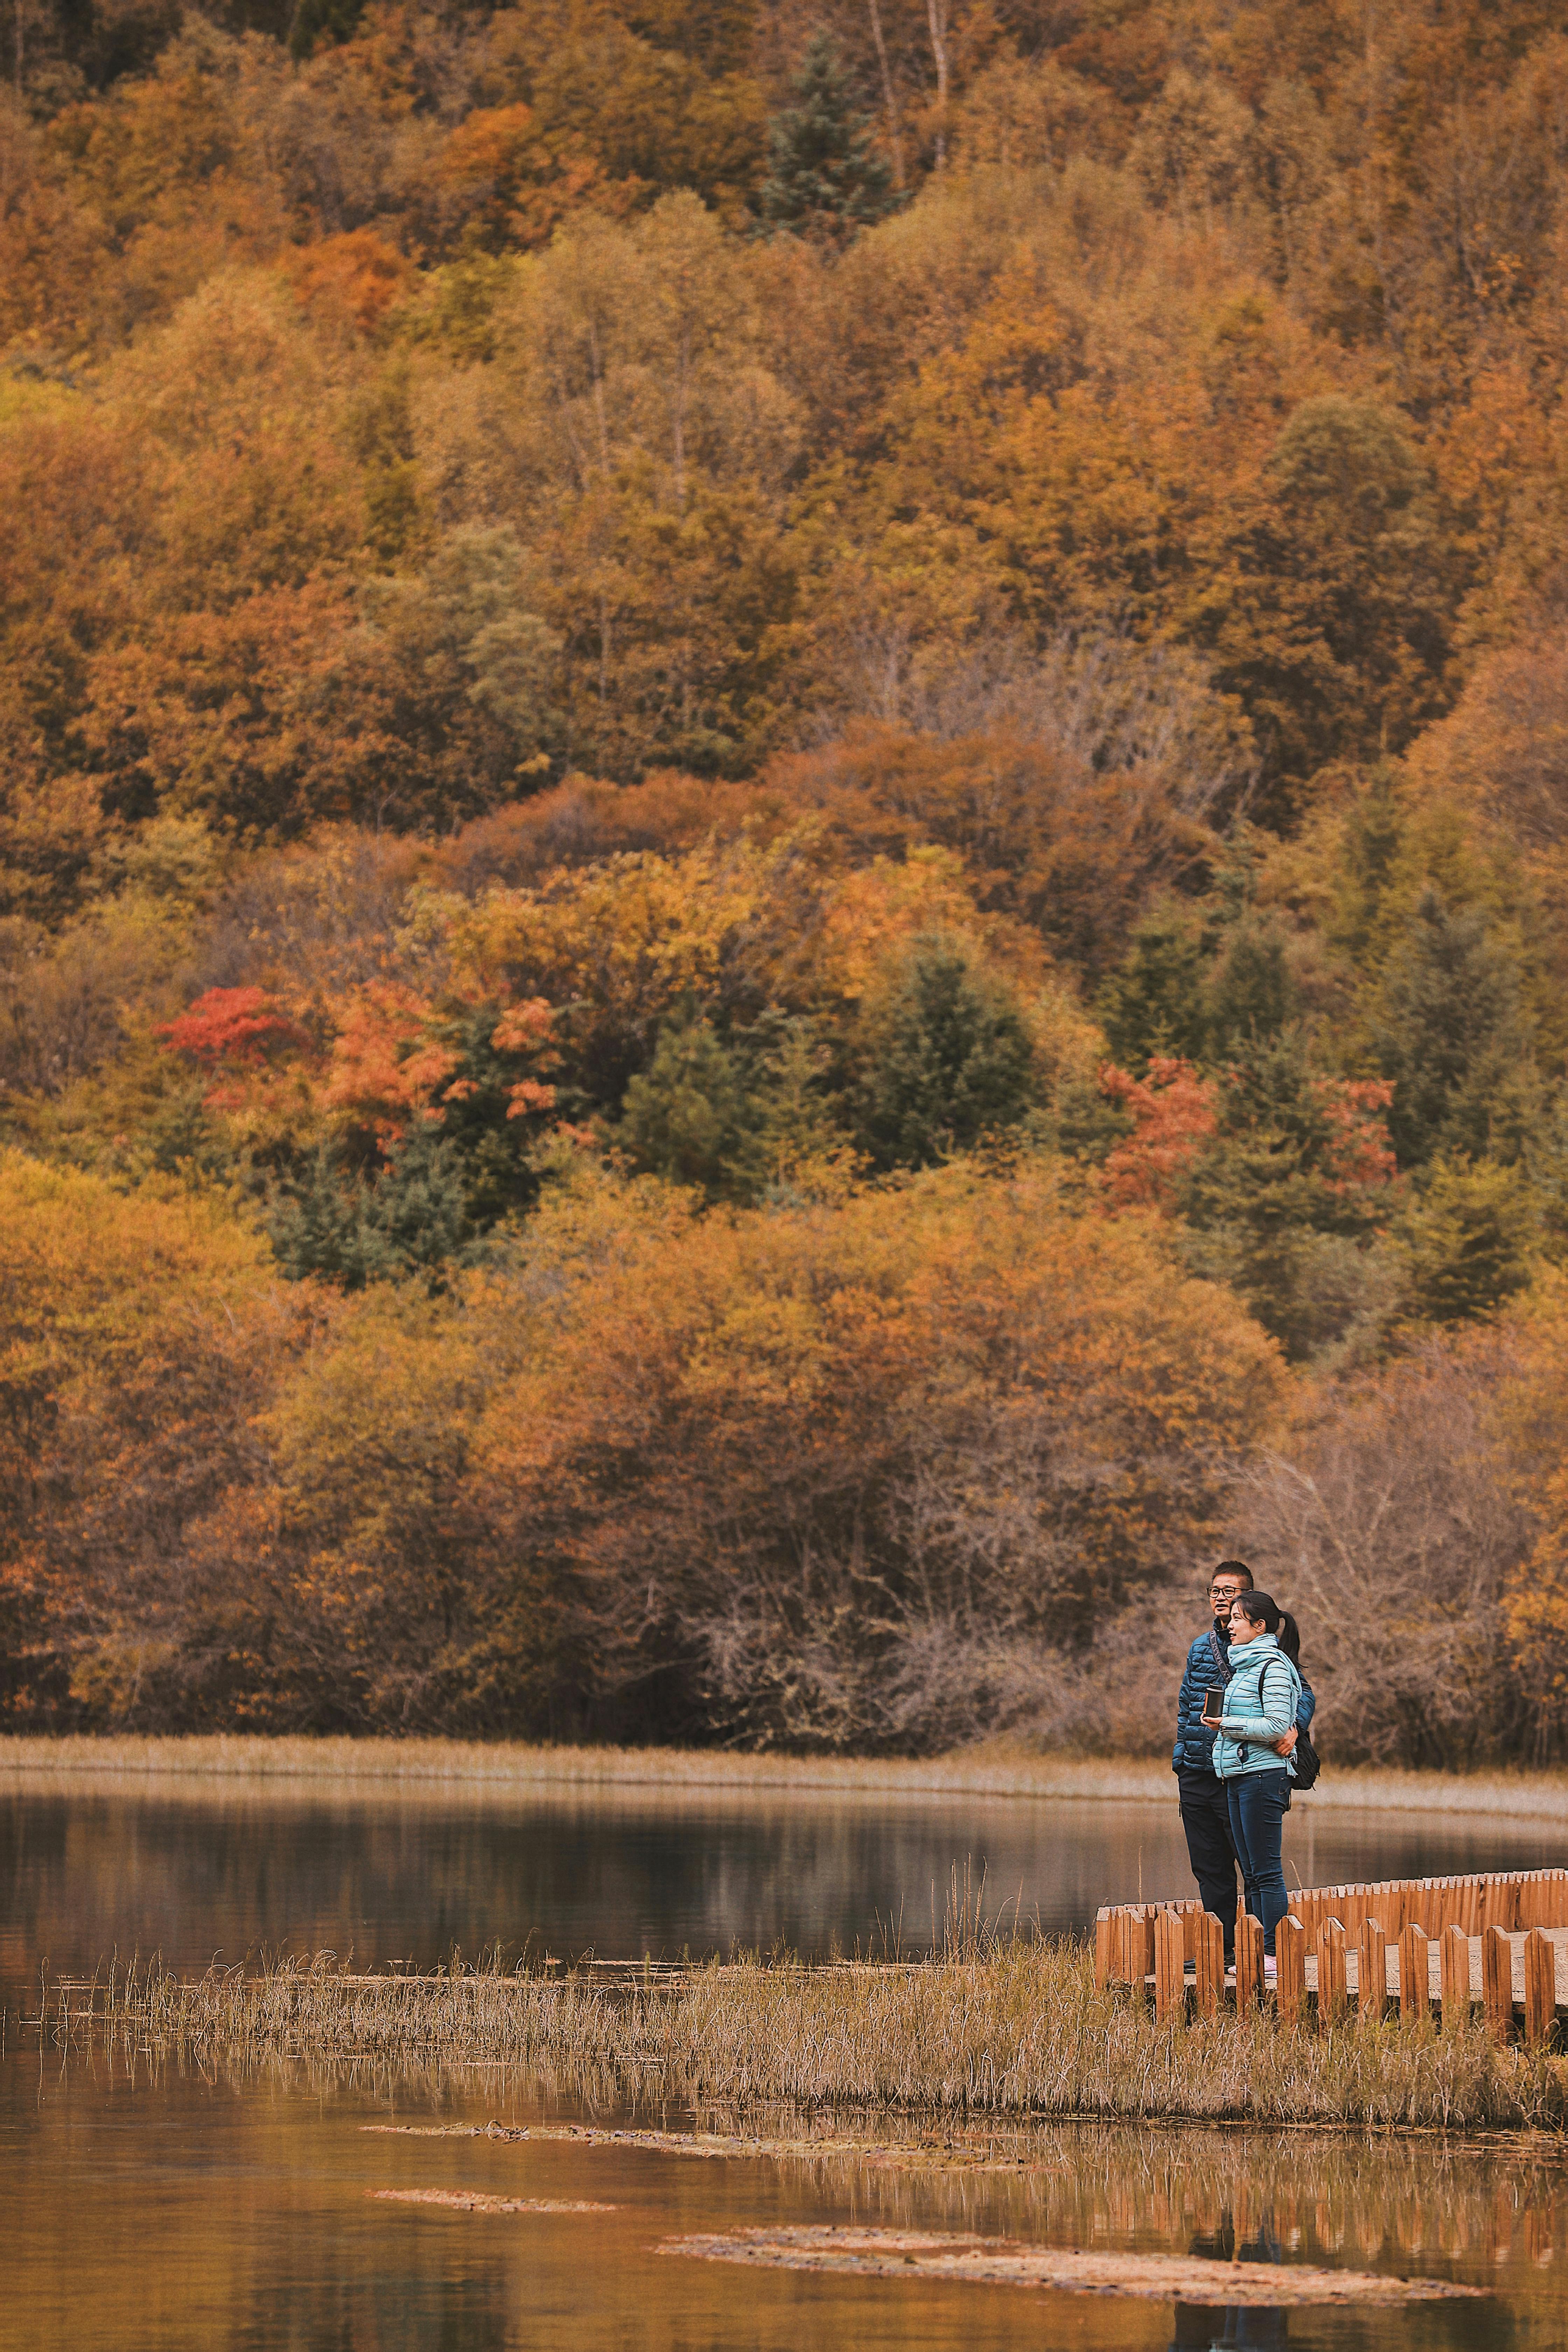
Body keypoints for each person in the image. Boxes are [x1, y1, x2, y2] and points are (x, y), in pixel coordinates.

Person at [1172, 1563, 1308, 1962]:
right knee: (1210, 1870)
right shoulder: (1202, 1646)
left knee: (1256, 1870)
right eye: (1214, 1590)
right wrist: (1181, 1761)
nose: (1220, 1598)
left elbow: (1298, 1694)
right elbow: (1186, 1705)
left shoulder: (1265, 1650)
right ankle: (1222, 1951)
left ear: (1248, 1601)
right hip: (1199, 1769)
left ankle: (1261, 1951)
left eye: (1229, 1592)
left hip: (1246, 1770)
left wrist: (1293, 1728)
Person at [1210, 1590, 1305, 1973]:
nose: (1229, 1625)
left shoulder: (1274, 1666)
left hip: (1264, 1777)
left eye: (1236, 1619)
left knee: (1266, 1870)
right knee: (1250, 1871)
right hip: (1238, 1775)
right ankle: (1262, 1952)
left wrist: (1226, 1725)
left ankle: (1274, 1954)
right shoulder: (1245, 1667)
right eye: (1230, 1618)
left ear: (1259, 1626)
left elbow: (1276, 1726)